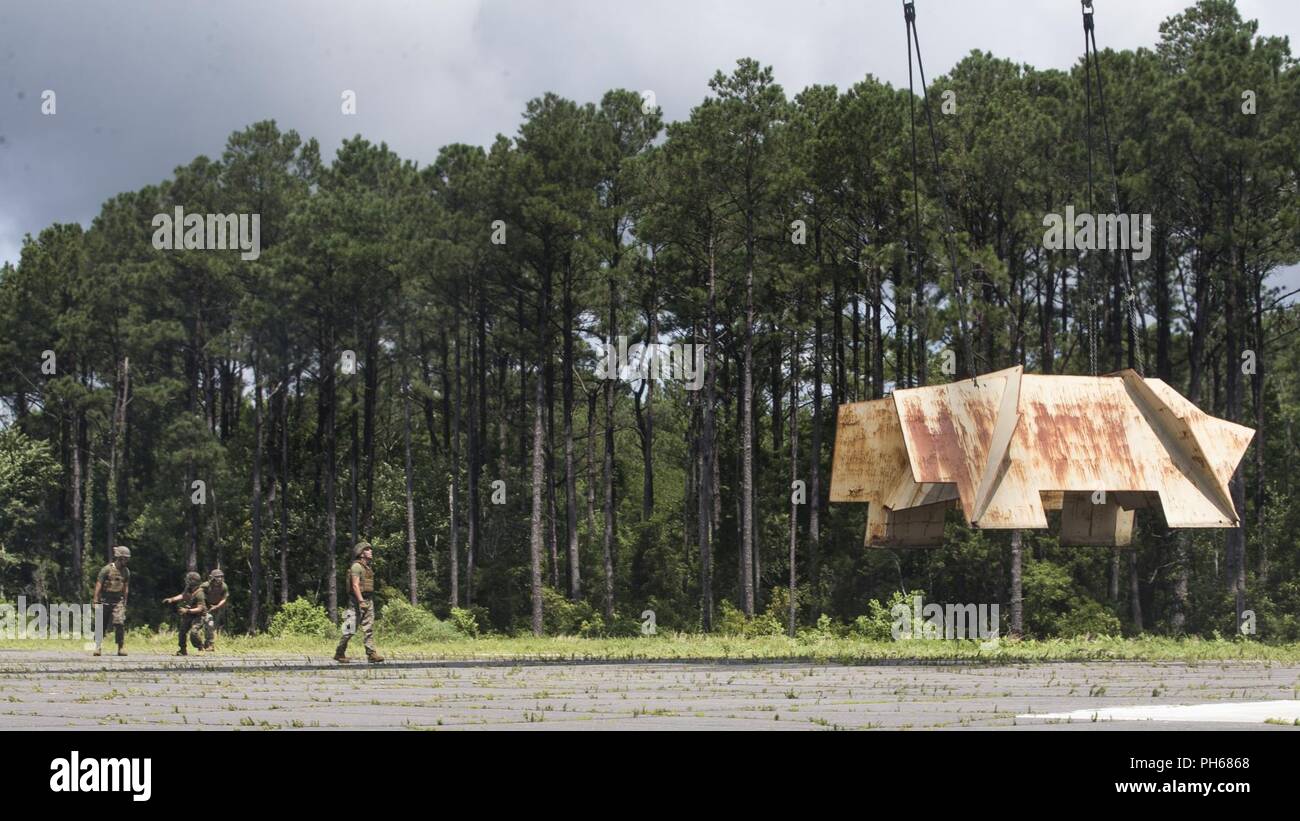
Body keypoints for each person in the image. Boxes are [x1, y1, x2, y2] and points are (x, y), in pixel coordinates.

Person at [334, 542, 384, 664]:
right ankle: (339, 652)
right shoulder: (356, 567)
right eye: (367, 549)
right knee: (350, 628)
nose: (371, 551)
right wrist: (361, 600)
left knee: (369, 628)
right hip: (357, 601)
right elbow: (355, 585)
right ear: (361, 553)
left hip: (368, 599)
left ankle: (371, 653)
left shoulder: (367, 567)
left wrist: (366, 601)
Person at [92, 546, 131, 656]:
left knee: (119, 623)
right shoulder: (107, 569)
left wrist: (125, 601)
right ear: (119, 558)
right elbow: (99, 584)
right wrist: (95, 600)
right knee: (101, 624)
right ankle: (98, 647)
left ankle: (120, 647)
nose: (127, 561)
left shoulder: (126, 572)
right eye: (125, 558)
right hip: (105, 599)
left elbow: (126, 587)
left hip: (118, 601)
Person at [163, 572, 207, 656]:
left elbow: (200, 608)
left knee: (194, 632)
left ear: (193, 581)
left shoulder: (199, 593)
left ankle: (201, 647)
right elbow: (183, 596)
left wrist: (187, 611)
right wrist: (172, 599)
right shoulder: (188, 589)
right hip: (189, 614)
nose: (186, 581)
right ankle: (182, 650)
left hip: (199, 616)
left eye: (188, 579)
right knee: (182, 631)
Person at [200, 568, 229, 651]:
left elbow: (224, 598)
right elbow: (197, 593)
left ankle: (208, 644)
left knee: (211, 626)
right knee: (209, 624)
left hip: (216, 607)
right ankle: (209, 644)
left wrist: (217, 606)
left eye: (221, 576)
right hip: (205, 606)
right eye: (217, 577)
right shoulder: (206, 585)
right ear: (212, 577)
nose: (219, 578)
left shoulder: (224, 586)